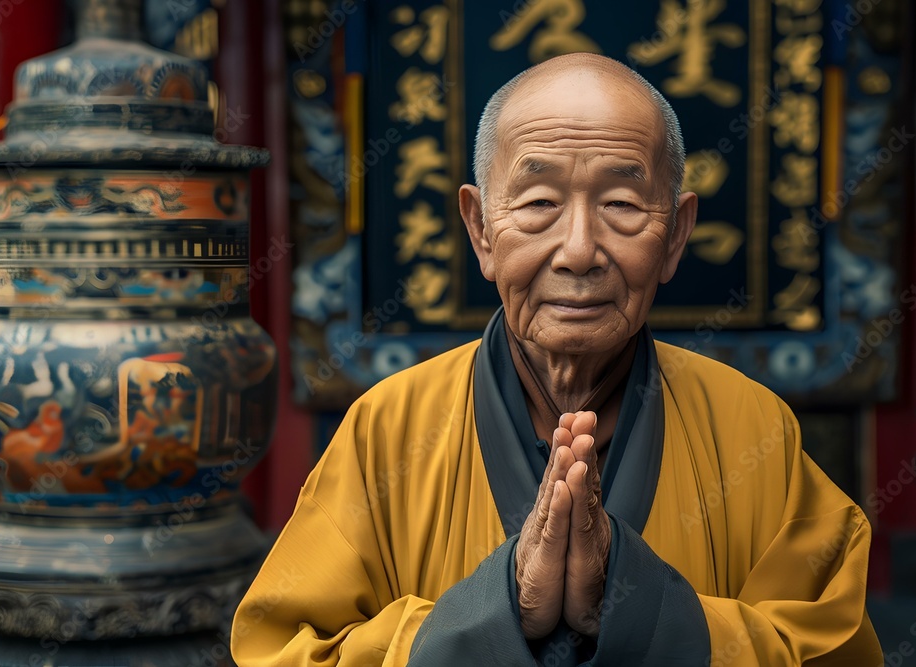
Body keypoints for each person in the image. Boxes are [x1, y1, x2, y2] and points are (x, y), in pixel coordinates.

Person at [231, 53, 882, 666]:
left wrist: (638, 603)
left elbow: (833, 648)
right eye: (540, 202)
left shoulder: (752, 428)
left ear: (677, 234)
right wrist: (498, 611)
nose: (578, 250)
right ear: (481, 228)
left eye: (622, 204)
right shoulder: (388, 429)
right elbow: (284, 649)